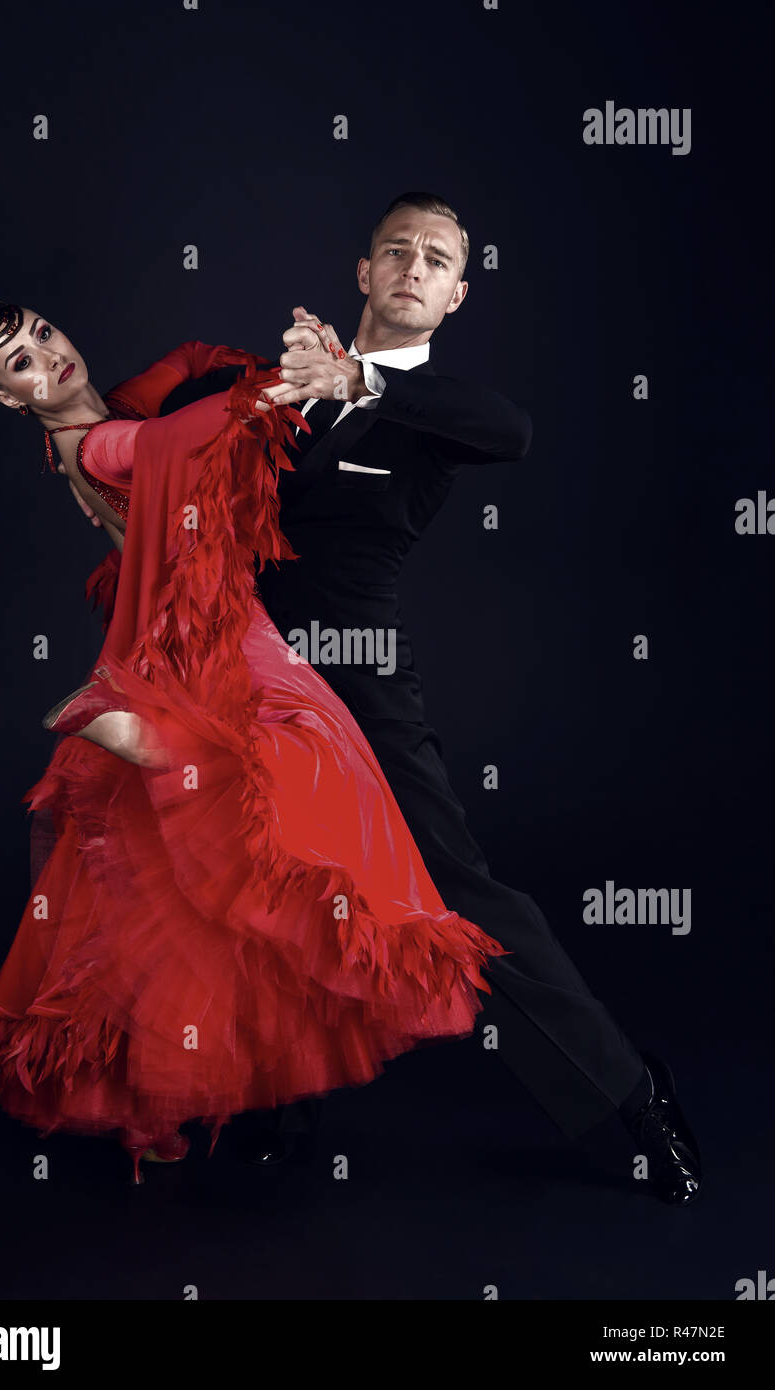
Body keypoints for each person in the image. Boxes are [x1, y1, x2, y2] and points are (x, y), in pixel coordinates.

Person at [0, 299, 511, 1185]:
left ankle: (146, 736)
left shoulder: (119, 405)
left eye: (44, 335)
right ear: (11, 402)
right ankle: (138, 729)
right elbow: (178, 442)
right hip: (213, 643)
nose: (47, 360)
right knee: (314, 791)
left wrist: (277, 356)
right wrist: (305, 376)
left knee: (205, 876)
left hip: (207, 629)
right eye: (20, 365)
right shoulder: (95, 445)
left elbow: (196, 358)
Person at [249, 191, 702, 1205]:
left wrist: (359, 376)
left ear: (454, 294)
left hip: (357, 680)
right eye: (394, 251)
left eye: (436, 259)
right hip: (247, 677)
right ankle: (271, 1103)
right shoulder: (281, 385)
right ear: (362, 273)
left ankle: (626, 1097)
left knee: (453, 889)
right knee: (256, 879)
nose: (412, 265)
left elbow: (511, 431)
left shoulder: (428, 406)